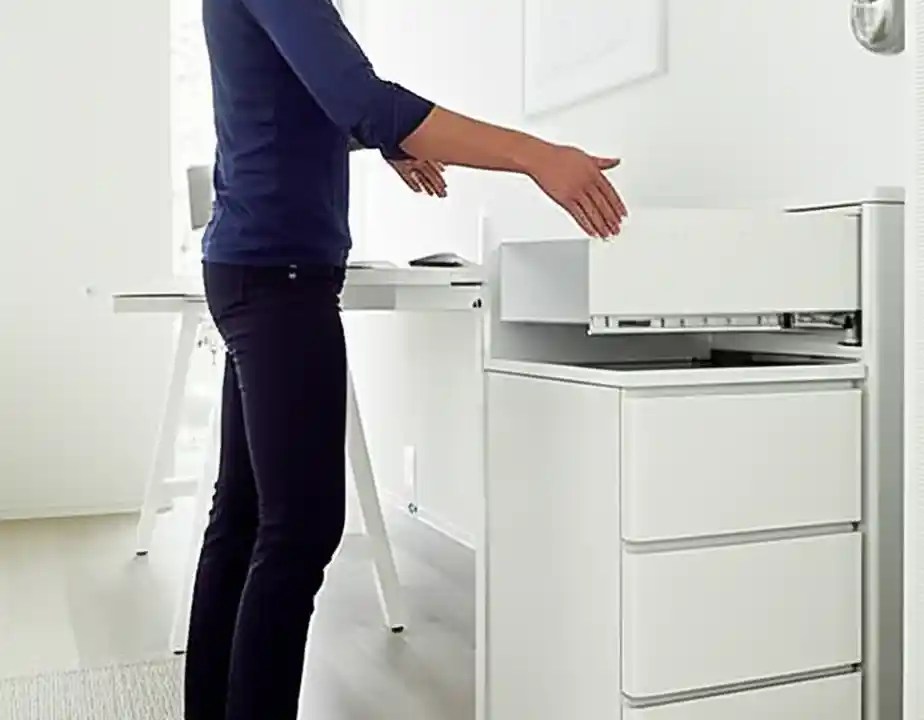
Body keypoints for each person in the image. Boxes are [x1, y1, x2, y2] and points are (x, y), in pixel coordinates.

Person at [186, 0, 627, 717]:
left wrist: (386, 142)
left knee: (243, 519)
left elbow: (299, 97)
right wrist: (536, 156)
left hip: (255, 265)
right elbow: (361, 100)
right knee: (299, 528)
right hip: (278, 275)